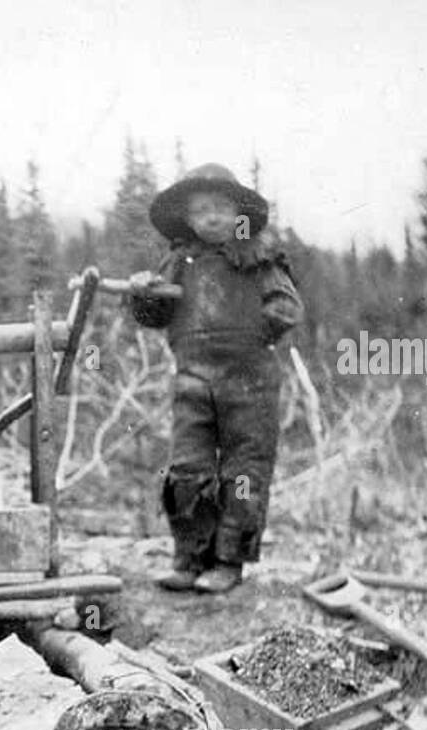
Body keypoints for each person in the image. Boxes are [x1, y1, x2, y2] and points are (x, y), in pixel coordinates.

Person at [129, 163, 304, 594]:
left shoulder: (258, 256)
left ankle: (229, 562)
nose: (212, 218)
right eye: (202, 210)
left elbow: (288, 307)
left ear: (238, 214)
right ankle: (189, 558)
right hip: (192, 381)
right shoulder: (175, 262)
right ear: (187, 217)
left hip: (250, 384)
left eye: (221, 209)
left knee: (244, 473)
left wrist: (253, 331)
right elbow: (154, 314)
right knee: (188, 469)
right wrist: (141, 293)